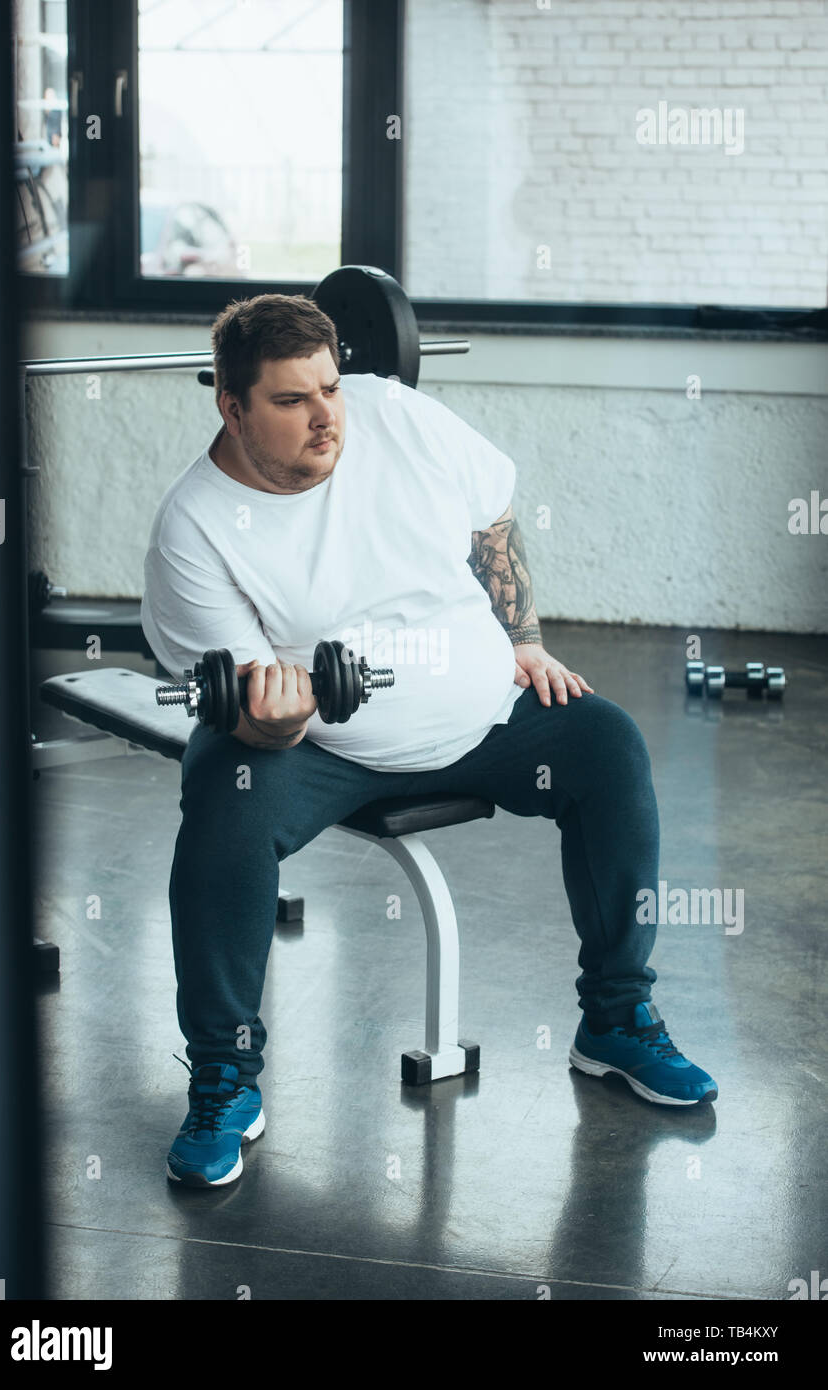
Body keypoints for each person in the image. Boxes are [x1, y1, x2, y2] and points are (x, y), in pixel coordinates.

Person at [141, 293, 718, 1188]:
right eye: (291, 402)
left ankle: (615, 1020)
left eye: (329, 387)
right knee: (224, 782)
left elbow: (491, 517)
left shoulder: (393, 416)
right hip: (322, 750)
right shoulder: (196, 527)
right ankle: (225, 1077)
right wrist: (282, 716)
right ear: (232, 406)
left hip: (485, 714)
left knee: (605, 742)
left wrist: (522, 637)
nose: (326, 415)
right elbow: (253, 709)